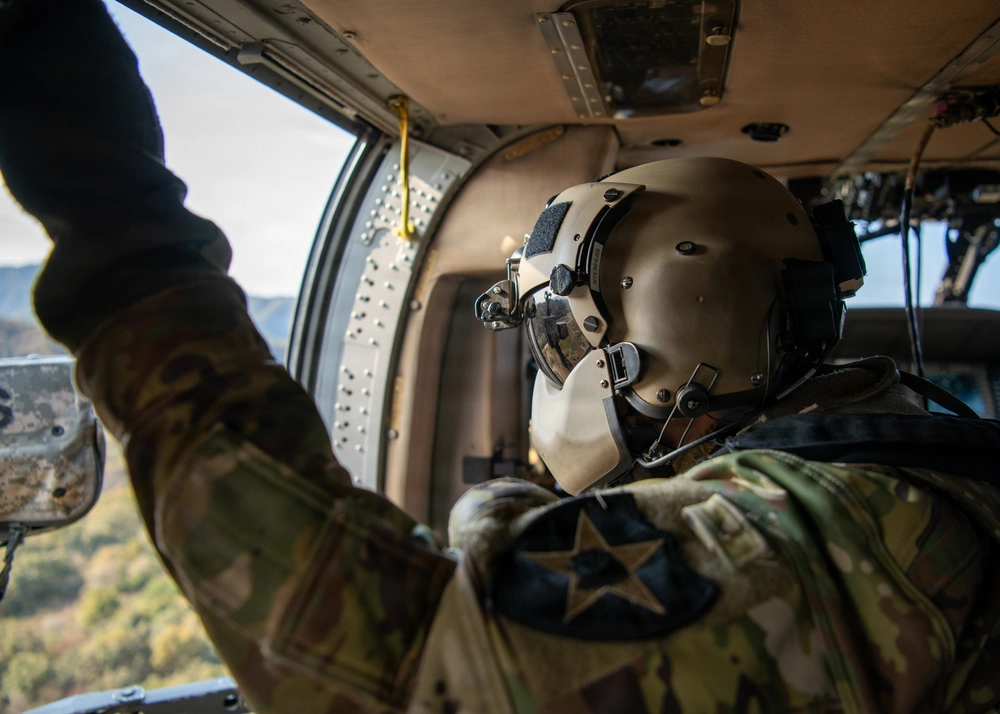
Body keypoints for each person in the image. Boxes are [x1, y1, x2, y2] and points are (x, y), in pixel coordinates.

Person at [2, 2, 1000, 713]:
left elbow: (399, 670)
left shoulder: (822, 530)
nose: (554, 371)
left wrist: (121, 237)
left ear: (692, 305)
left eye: (564, 332)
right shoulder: (893, 474)